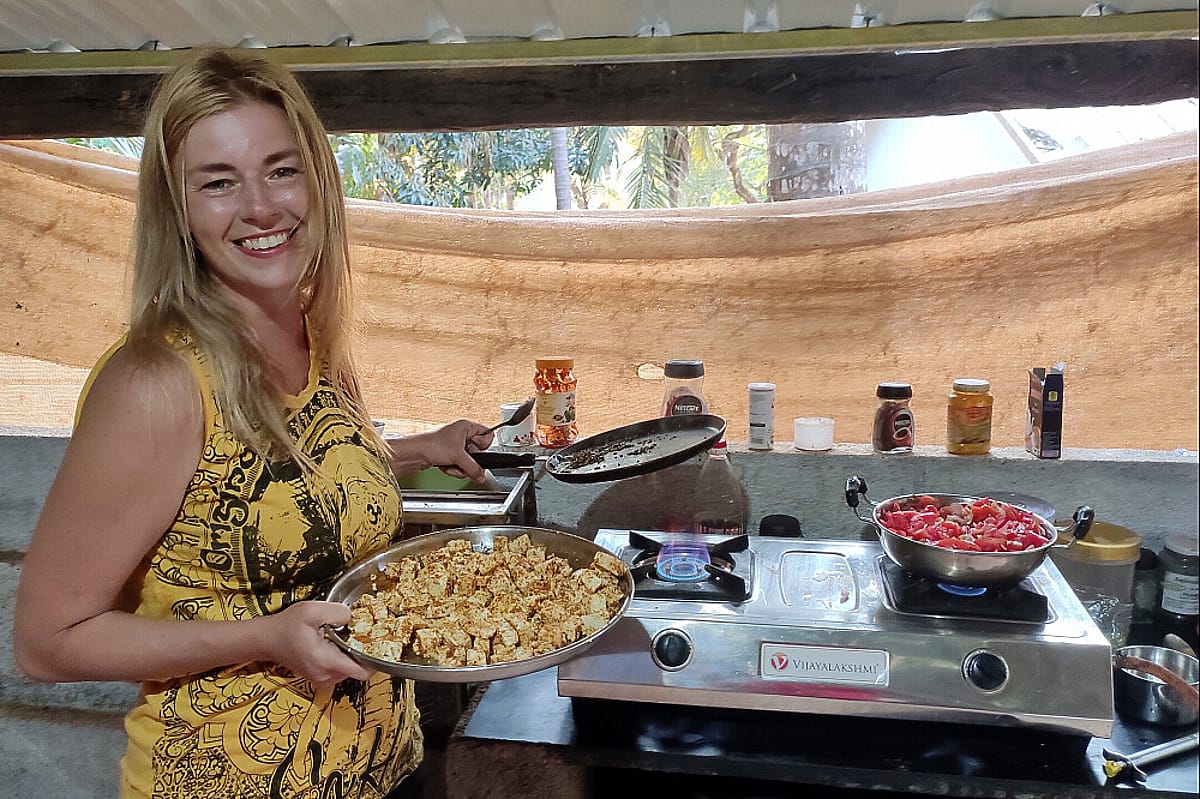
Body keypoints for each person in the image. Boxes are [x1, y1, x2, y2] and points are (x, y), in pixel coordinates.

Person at [13, 48, 494, 798]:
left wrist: (410, 450)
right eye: (217, 183)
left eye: (281, 169)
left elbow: (287, 473)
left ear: (319, 179)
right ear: (177, 208)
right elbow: (46, 642)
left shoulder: (313, 334)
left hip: (386, 764)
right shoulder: (155, 384)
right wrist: (262, 637)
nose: (262, 207)